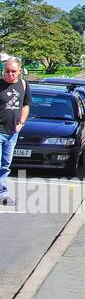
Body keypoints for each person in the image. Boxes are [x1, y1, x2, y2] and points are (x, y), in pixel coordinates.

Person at [0, 58, 31, 207]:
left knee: (5, 164)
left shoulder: (23, 85)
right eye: (7, 71)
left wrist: (21, 123)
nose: (10, 74)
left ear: (19, 71)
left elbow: (26, 105)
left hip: (12, 132)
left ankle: (2, 195)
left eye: (13, 71)